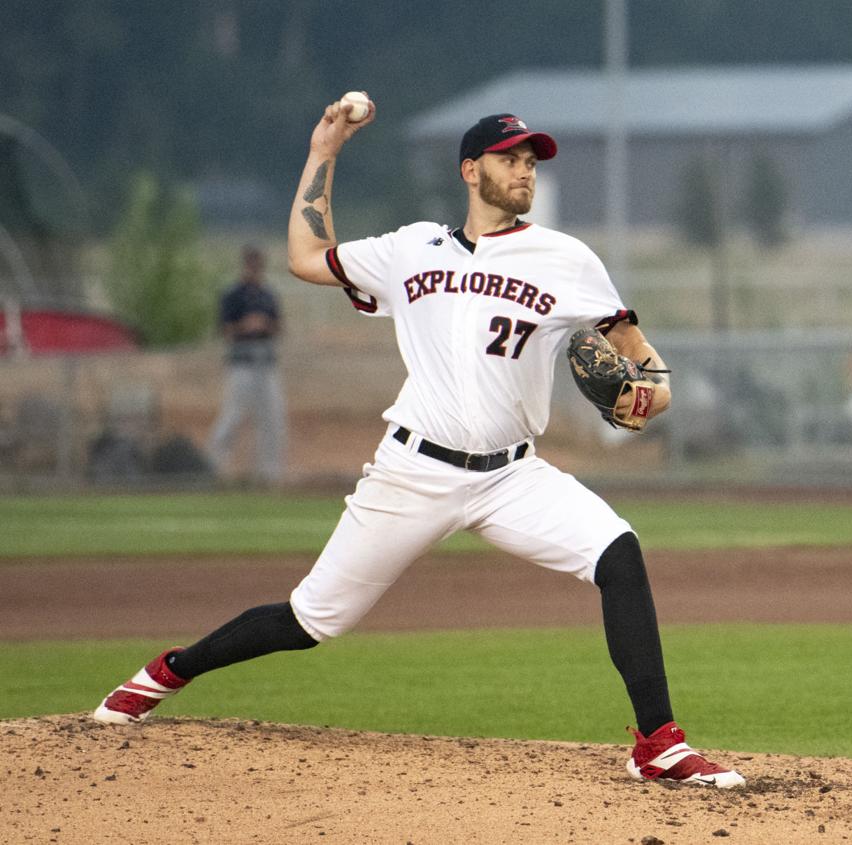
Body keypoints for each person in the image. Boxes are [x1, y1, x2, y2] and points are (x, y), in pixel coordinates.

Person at [93, 97, 745, 789]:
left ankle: (657, 744)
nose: (525, 169)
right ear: (470, 169)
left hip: (512, 477)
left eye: (531, 160)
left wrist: (653, 394)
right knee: (310, 619)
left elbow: (639, 355)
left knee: (618, 552)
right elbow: (306, 258)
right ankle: (169, 670)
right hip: (412, 470)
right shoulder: (410, 249)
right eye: (510, 158)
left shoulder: (566, 259)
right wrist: (323, 153)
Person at [207, 245, 287, 485]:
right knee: (232, 415)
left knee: (271, 418)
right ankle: (215, 467)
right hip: (242, 362)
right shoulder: (233, 295)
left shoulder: (267, 295)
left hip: (265, 362)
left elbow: (278, 327)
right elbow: (224, 329)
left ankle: (269, 473)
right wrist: (246, 325)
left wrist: (264, 325)